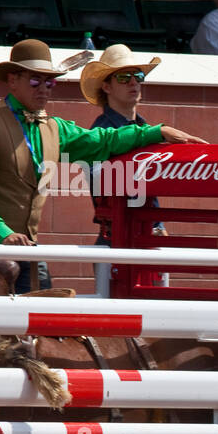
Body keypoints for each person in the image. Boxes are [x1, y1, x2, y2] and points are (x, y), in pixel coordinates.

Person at [0, 40, 205, 293]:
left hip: (27, 248)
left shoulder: (55, 127)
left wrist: (158, 131)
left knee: (45, 320)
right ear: (13, 80)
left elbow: (104, 139)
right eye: (36, 81)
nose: (44, 89)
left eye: (50, 82)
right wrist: (2, 232)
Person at [78, 44, 169, 288]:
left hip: (145, 235)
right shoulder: (99, 133)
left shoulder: (144, 127)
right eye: (123, 77)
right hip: (115, 237)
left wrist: (158, 225)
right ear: (106, 86)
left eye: (138, 76)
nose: (133, 83)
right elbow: (101, 186)